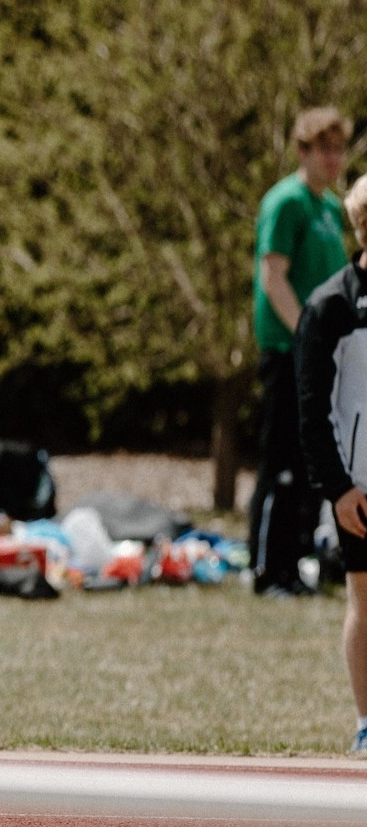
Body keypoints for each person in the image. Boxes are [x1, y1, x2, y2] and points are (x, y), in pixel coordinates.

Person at [250, 106, 352, 597]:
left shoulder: (332, 209)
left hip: (327, 355)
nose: (334, 159)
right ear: (302, 151)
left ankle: (298, 564)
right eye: (324, 149)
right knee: (283, 461)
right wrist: (307, 339)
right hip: (289, 349)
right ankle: (269, 568)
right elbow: (274, 278)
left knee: (317, 464)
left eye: (339, 148)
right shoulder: (285, 202)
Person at [296, 174, 367, 754]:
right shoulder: (331, 306)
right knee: (364, 597)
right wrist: (339, 489)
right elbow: (312, 410)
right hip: (360, 485)